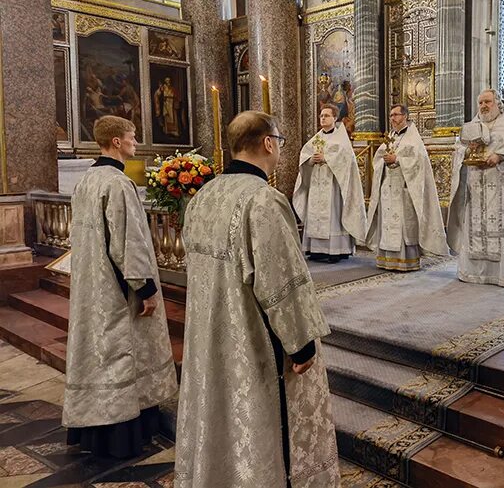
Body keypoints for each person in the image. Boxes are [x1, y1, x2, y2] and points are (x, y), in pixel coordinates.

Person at [175, 111, 339, 488]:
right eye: (279, 141)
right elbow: (282, 282)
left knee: (219, 420)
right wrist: (301, 345)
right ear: (268, 143)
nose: (279, 148)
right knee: (260, 425)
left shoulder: (202, 197)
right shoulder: (263, 200)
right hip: (253, 345)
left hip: (209, 339)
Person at [63, 115, 177, 459]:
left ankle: (94, 433)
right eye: (131, 136)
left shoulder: (87, 181)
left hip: (92, 288)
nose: (136, 141)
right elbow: (129, 243)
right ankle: (126, 433)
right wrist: (144, 289)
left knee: (101, 356)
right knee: (121, 355)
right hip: (117, 290)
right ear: (116, 142)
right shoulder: (118, 183)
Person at [447, 89, 504, 286]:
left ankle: (501, 274)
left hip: (502, 186)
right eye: (480, 102)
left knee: (499, 227)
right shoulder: (473, 126)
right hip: (476, 185)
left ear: (498, 104)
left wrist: (500, 155)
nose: (483, 106)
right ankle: (472, 272)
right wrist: (467, 150)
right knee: (474, 227)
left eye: (487, 102)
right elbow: (459, 148)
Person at [366, 104, 448, 271]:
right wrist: (384, 161)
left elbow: (419, 162)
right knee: (387, 223)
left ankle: (406, 261)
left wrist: (398, 159)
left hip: (404, 189)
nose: (393, 118)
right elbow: (378, 160)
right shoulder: (390, 138)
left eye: (396, 115)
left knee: (404, 225)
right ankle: (386, 259)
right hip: (388, 188)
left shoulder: (413, 138)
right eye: (391, 115)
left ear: (405, 116)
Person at [293, 104, 366, 263]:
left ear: (335, 118)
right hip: (316, 184)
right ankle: (316, 250)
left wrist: (327, 159)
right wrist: (311, 160)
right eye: (321, 116)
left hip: (333, 186)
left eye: (326, 115)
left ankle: (336, 251)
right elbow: (304, 158)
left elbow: (347, 161)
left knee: (333, 215)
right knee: (316, 214)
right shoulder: (315, 139)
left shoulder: (341, 140)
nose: (323, 118)